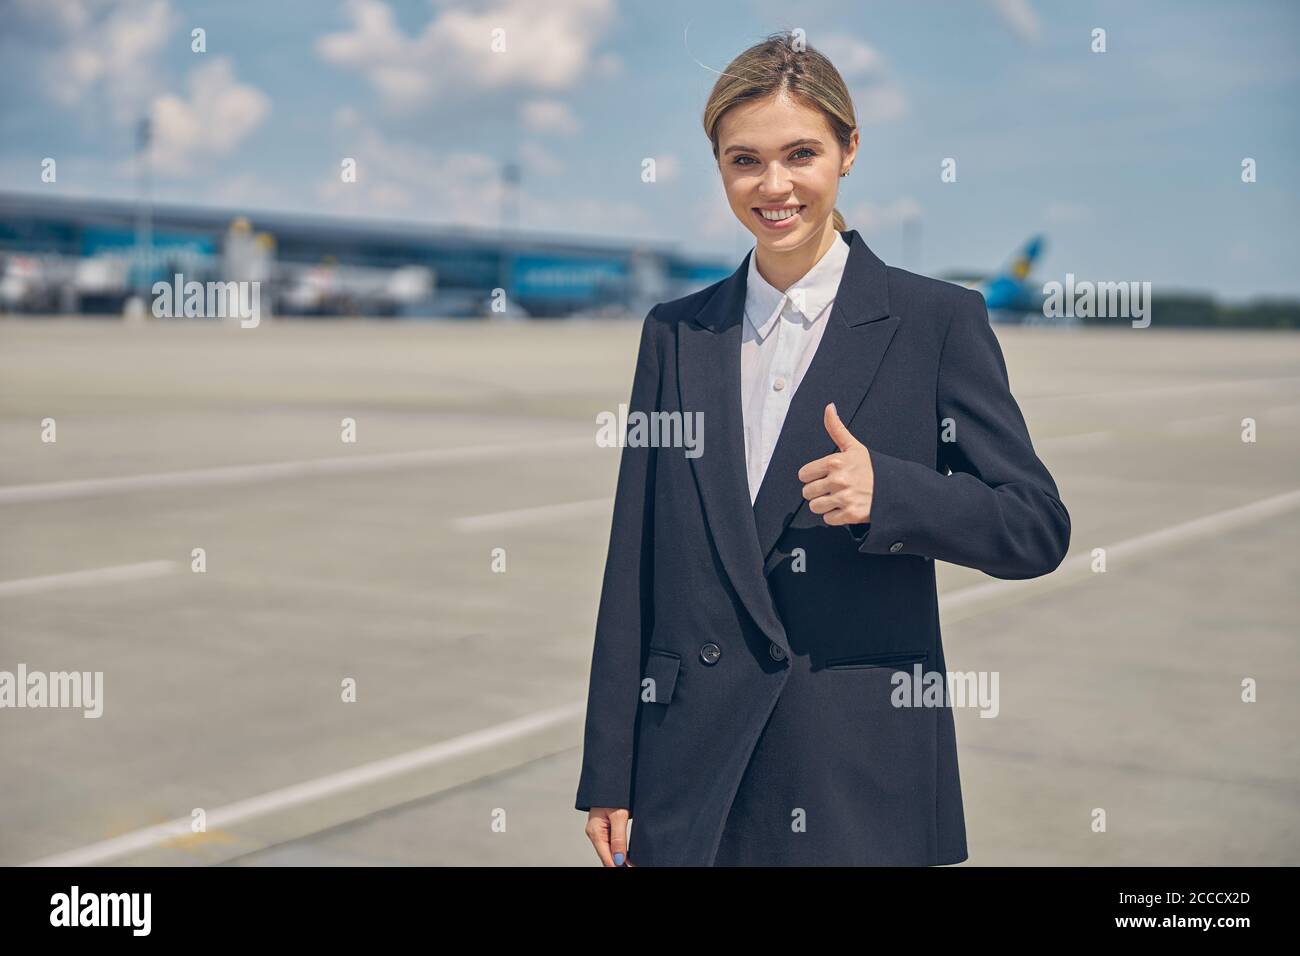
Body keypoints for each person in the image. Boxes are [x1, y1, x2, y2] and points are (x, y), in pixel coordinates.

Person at [576, 32, 1070, 866]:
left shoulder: (936, 321)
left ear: (849, 150)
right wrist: (610, 770)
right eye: (744, 160)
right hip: (691, 768)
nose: (773, 187)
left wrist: (898, 496)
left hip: (852, 768)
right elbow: (635, 560)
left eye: (800, 153)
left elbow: (1036, 529)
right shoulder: (676, 332)